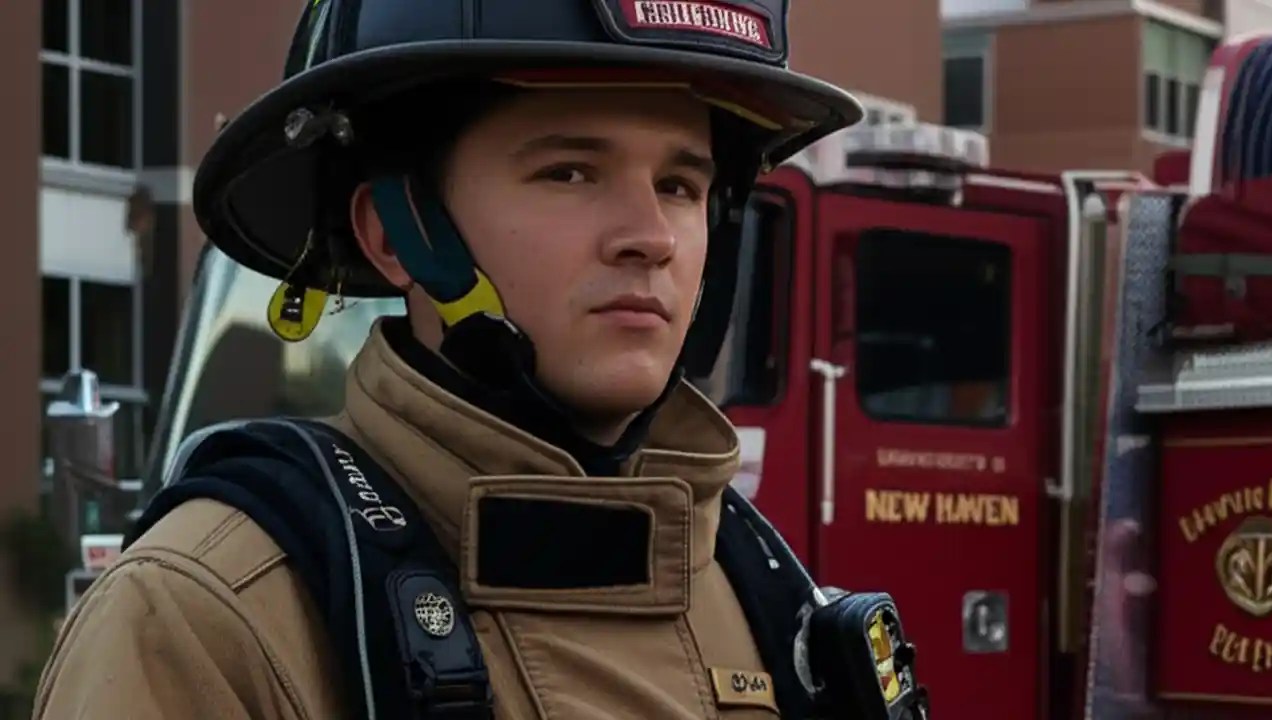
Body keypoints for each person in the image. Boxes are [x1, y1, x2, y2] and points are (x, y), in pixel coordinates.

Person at [32, 1, 874, 718]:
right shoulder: (202, 617)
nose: (649, 238)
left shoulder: (760, 595)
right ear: (398, 234)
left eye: (681, 186)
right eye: (570, 171)